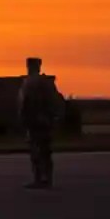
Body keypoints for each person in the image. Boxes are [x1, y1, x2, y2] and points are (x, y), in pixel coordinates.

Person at [18, 56, 63, 188]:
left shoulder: (31, 83)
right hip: (43, 122)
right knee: (44, 152)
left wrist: (24, 119)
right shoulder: (45, 83)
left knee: (38, 151)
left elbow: (26, 104)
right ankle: (46, 178)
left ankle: (40, 178)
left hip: (36, 122)